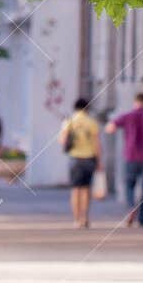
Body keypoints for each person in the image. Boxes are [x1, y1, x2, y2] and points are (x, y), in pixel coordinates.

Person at [107, 91, 143, 227]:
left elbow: (110, 128)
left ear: (135, 102)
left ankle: (131, 207)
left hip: (130, 156)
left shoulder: (127, 116)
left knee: (129, 185)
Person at [59, 97, 101, 229]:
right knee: (86, 190)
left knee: (75, 190)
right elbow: (97, 144)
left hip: (74, 158)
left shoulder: (69, 121)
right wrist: (99, 161)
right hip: (89, 158)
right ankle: (85, 218)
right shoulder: (91, 122)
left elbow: (62, 140)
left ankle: (76, 219)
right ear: (87, 108)